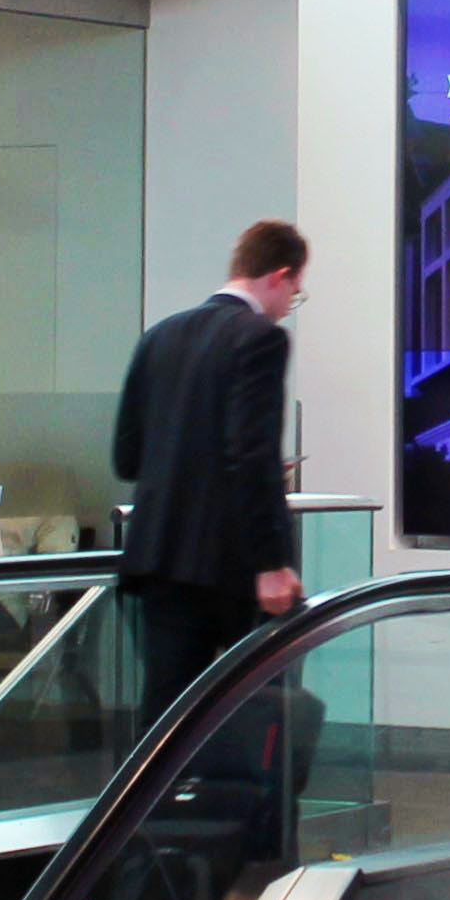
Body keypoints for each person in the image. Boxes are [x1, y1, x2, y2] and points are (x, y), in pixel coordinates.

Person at [110, 221, 306, 714]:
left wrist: (186, 459)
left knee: (167, 718)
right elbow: (251, 454)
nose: (289, 306)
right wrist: (272, 564)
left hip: (158, 558)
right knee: (254, 711)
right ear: (279, 276)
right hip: (231, 566)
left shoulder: (158, 336)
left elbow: (127, 457)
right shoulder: (261, 338)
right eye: (295, 293)